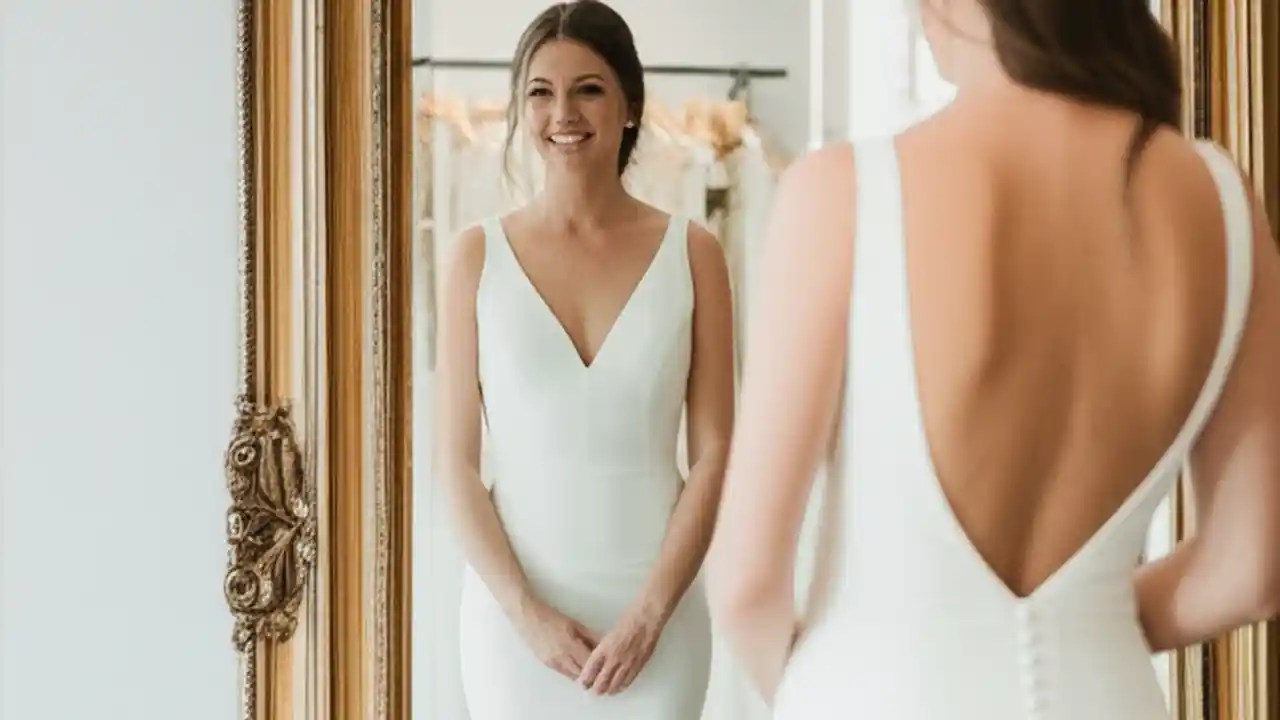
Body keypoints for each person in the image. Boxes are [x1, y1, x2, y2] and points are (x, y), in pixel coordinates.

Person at [706, 0, 1279, 717]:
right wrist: (1079, 627)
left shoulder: (842, 193)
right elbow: (1247, 572)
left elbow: (744, 586)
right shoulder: (1224, 204)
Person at [434, 2, 734, 718]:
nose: (562, 112)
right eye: (540, 91)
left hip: (656, 628)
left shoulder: (694, 253)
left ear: (629, 105)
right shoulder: (475, 258)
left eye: (588, 88)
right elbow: (456, 467)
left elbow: (717, 453)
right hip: (516, 631)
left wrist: (651, 617)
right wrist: (525, 614)